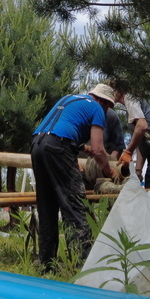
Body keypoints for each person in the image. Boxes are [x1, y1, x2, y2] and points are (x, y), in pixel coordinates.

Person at [30, 83, 120, 271]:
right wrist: (108, 169)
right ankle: (83, 266)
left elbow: (60, 129)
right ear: (103, 102)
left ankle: (47, 264)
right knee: (75, 206)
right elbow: (97, 148)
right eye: (108, 107)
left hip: (37, 145)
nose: (107, 111)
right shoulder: (97, 108)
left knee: (47, 206)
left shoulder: (69, 99)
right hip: (57, 147)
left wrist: (82, 148)